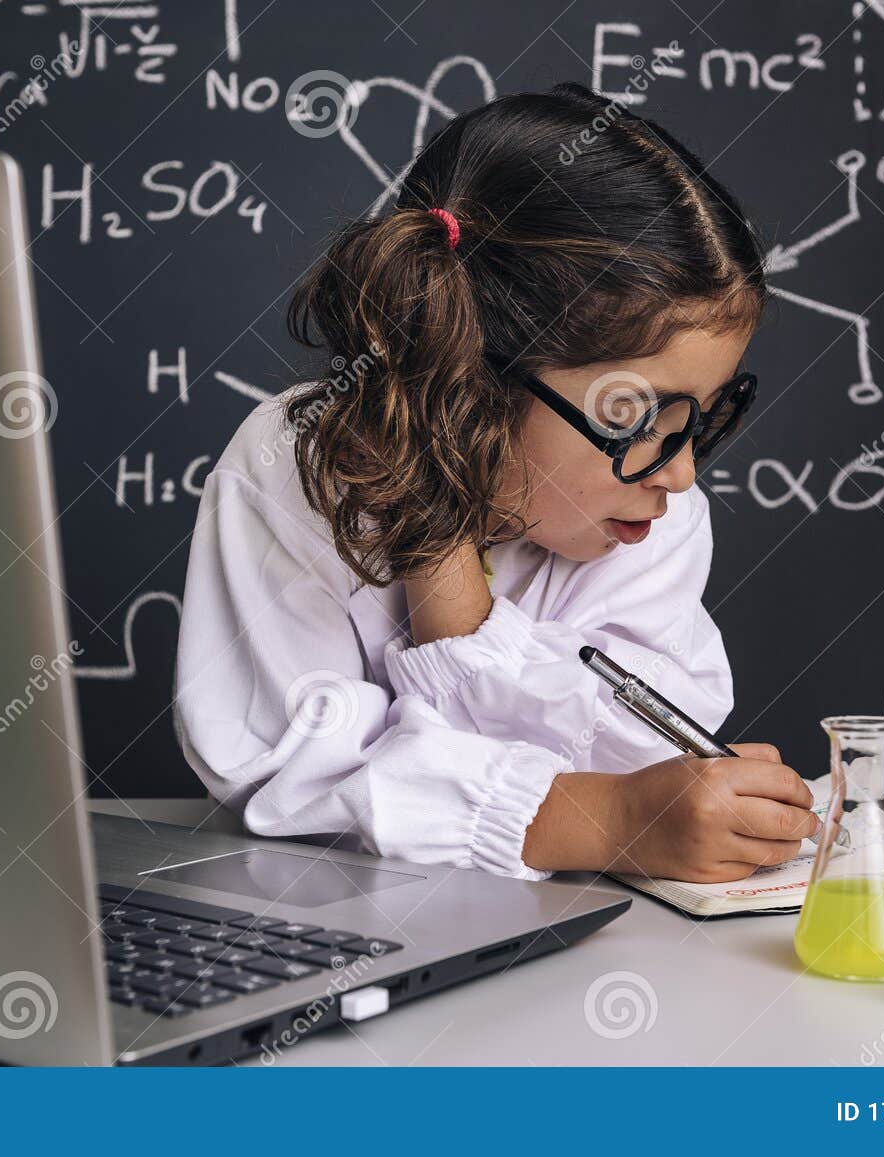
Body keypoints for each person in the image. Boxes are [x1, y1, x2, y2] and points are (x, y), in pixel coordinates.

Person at [175, 82, 822, 884]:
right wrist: (609, 820)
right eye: (636, 417)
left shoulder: (654, 515)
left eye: (704, 418)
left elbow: (642, 755)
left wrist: (452, 608)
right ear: (476, 380)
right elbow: (288, 775)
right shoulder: (293, 470)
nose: (681, 472)